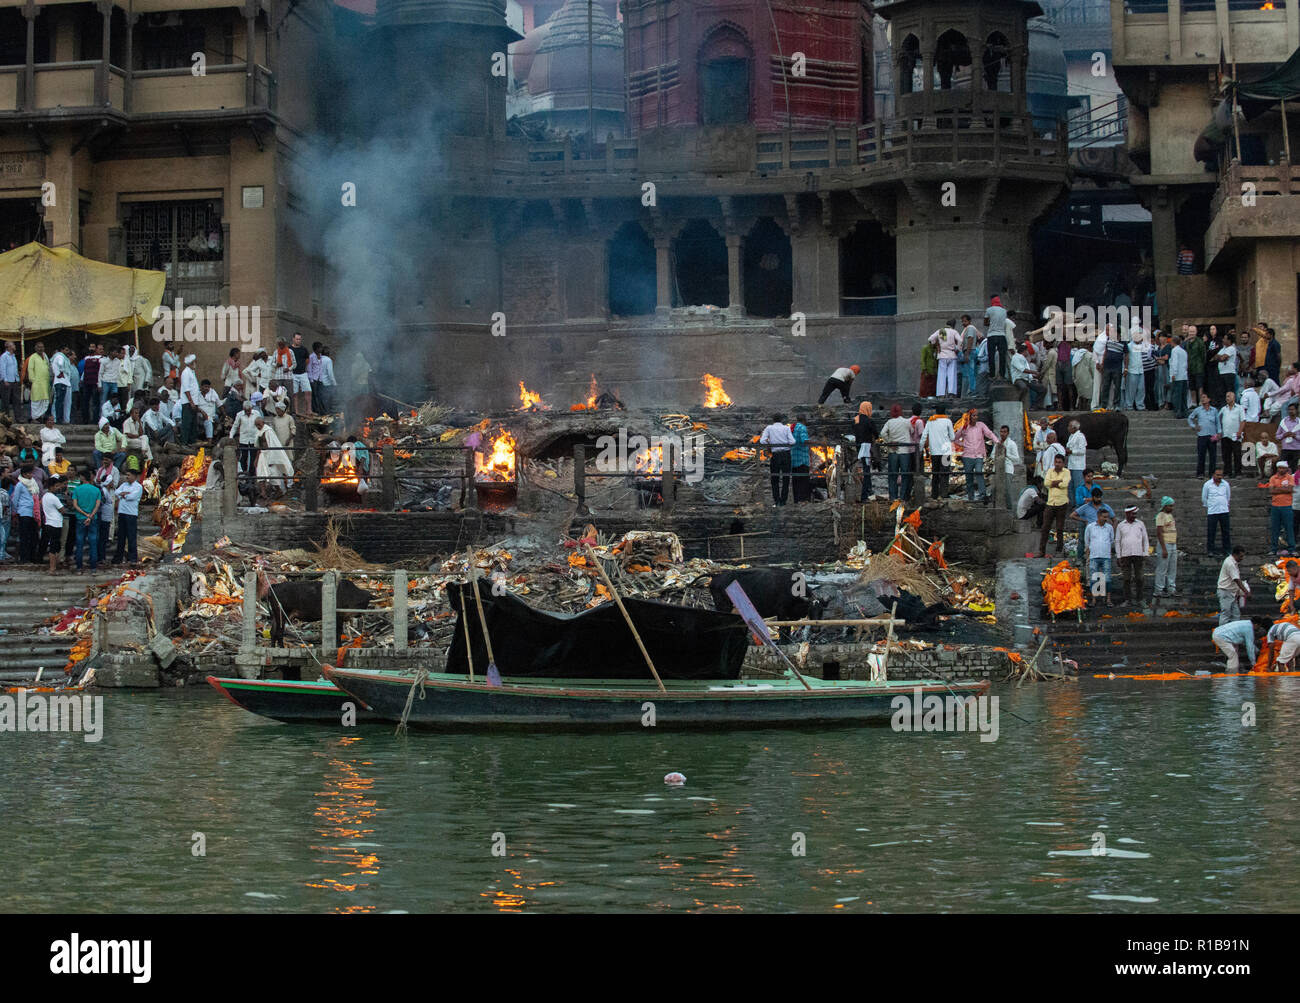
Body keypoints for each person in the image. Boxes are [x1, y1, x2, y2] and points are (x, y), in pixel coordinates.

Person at [958, 408, 998, 503]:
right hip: (967, 456)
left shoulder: (981, 425)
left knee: (979, 472)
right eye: (974, 415)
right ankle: (970, 497)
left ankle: (982, 495)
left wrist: (997, 442)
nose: (976, 417)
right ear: (970, 417)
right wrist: (963, 445)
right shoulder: (964, 427)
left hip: (979, 455)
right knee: (969, 477)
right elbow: (955, 438)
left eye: (977, 415)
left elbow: (989, 433)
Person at [66, 466, 101, 573]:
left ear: (82, 478)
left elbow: (75, 505)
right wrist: (90, 516)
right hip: (93, 519)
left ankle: (79, 567)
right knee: (93, 542)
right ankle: (93, 568)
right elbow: (97, 505)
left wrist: (85, 514)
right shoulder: (96, 490)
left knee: (80, 543)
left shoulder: (77, 489)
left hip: (80, 518)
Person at [1114, 505, 1149, 606]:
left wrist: (1145, 553)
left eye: (1135, 514)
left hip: (1138, 554)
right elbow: (1117, 541)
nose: (1135, 515)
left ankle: (1140, 599)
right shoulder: (1121, 525)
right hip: (1125, 555)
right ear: (1127, 514)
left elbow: (1145, 539)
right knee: (1126, 579)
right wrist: (1118, 556)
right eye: (1133, 514)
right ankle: (1127, 599)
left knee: (1140, 578)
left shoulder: (1140, 524)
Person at [1038, 454, 1071, 558]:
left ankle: (1059, 550)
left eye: (1059, 462)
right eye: (1056, 462)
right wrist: (1058, 482)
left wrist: (1054, 483)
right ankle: (1041, 551)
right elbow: (1046, 483)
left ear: (1063, 463)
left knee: (1060, 528)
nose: (1057, 464)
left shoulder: (1067, 472)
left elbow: (1064, 484)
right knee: (1045, 528)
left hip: (1062, 503)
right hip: (1050, 503)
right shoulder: (1050, 471)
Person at [759, 413, 794, 506]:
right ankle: (783, 501)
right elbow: (792, 441)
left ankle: (776, 500)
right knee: (786, 478)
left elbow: (762, 441)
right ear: (781, 420)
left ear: (773, 420)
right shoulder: (786, 428)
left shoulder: (769, 428)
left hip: (775, 455)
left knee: (775, 478)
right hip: (786, 455)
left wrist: (770, 442)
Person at [881, 404, 914, 501]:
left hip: (893, 451)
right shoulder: (906, 421)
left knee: (892, 475)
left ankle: (893, 497)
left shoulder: (889, 422)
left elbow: (882, 433)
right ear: (901, 412)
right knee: (905, 475)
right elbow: (911, 431)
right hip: (904, 451)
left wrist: (889, 442)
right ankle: (903, 497)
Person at [1084, 507, 1115, 606]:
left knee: (1107, 578)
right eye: (1104, 517)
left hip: (1106, 556)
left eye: (1107, 517)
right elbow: (1087, 541)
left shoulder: (1109, 527)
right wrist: (1088, 555)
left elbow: (1111, 540)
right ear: (1098, 516)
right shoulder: (1090, 527)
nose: (1105, 519)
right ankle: (1094, 600)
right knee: (1094, 578)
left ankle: (1108, 599)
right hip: (1094, 555)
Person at [111, 468, 142, 565]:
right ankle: (118, 558)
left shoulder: (138, 487)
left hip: (131, 514)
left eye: (128, 475)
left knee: (131, 536)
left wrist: (124, 495)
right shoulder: (124, 485)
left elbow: (132, 497)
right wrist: (124, 495)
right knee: (121, 536)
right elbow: (116, 492)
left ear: (134, 476)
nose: (127, 477)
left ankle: (132, 558)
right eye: (126, 475)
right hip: (122, 513)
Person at [1264, 460, 1296, 556]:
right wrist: (1284, 489)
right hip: (1275, 506)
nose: (1281, 469)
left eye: (1283, 468)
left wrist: (1277, 489)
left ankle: (1292, 549)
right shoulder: (1273, 478)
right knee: (1275, 528)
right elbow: (1271, 491)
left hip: (1287, 506)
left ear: (1286, 469)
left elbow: (1290, 489)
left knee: (1289, 528)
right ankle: (1273, 549)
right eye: (1279, 468)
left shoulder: (1290, 477)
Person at [925, 404, 956, 499]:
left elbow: (924, 435)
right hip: (946, 453)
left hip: (934, 453)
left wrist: (922, 446)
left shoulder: (930, 421)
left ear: (936, 412)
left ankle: (934, 494)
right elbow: (953, 437)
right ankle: (944, 494)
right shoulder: (948, 421)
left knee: (935, 473)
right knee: (945, 473)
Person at [93, 457, 119, 565]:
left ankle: (101, 556)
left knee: (103, 538)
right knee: (101, 539)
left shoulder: (115, 471)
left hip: (106, 516)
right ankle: (100, 558)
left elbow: (115, 485)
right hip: (103, 517)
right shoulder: (103, 490)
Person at [1188, 392, 1220, 477]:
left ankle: (1212, 473)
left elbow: (1218, 423)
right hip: (1202, 435)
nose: (1203, 399)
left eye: (1204, 397)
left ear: (1209, 399)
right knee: (1201, 455)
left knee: (1213, 456)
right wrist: (1194, 426)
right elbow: (1190, 418)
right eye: (1201, 398)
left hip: (1212, 435)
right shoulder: (1198, 410)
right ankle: (1200, 473)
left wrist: (1219, 432)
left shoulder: (1214, 410)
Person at [1202, 466, 1232, 555]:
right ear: (1213, 475)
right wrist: (1210, 505)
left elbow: (1228, 496)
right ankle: (1210, 550)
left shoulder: (1225, 484)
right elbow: (1204, 498)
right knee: (1211, 532)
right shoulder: (1207, 485)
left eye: (1221, 475)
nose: (1219, 477)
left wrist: (1225, 505)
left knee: (1226, 532)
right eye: (1217, 475)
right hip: (1212, 511)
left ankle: (1226, 550)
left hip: (1224, 510)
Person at [1216, 546, 1249, 624]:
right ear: (1235, 554)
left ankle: (1234, 631)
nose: (1242, 558)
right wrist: (1246, 592)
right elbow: (1236, 579)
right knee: (1226, 614)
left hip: (1231, 592)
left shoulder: (1232, 562)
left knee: (1236, 614)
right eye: (1241, 556)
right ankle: (1222, 633)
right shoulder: (1230, 563)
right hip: (1226, 591)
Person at [39, 475, 64, 572]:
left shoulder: (45, 496)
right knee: (54, 546)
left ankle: (54, 566)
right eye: (56, 486)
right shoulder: (54, 498)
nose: (58, 488)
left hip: (49, 522)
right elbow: (62, 509)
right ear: (51, 487)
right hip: (55, 523)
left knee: (54, 545)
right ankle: (52, 568)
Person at [853, 402, 878, 502]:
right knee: (867, 470)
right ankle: (864, 496)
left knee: (863, 469)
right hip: (866, 449)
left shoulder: (855, 420)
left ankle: (868, 490)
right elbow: (876, 434)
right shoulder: (869, 421)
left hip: (858, 447)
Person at [993, 424, 1021, 511]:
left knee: (1008, 491)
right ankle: (995, 509)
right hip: (997, 469)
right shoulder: (997, 443)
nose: (1002, 434)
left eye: (1004, 432)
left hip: (1007, 469)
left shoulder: (1012, 444)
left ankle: (1010, 510)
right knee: (995, 490)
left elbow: (1017, 459)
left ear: (1008, 433)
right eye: (1001, 432)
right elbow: (992, 455)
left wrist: (1006, 454)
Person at [230, 398, 262, 474]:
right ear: (243, 409)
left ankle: (252, 474)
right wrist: (231, 437)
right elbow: (235, 426)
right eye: (246, 410)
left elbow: (261, 424)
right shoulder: (239, 415)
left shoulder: (256, 413)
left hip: (254, 439)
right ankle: (244, 472)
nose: (247, 412)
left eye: (249, 410)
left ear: (251, 408)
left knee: (253, 457)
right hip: (244, 439)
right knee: (243, 457)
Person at [929, 323, 961, 397]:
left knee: (941, 375)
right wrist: (957, 349)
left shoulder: (940, 331)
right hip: (952, 355)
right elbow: (960, 340)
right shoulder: (954, 331)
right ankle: (951, 393)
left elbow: (930, 339)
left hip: (942, 355)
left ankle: (941, 394)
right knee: (951, 375)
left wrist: (936, 344)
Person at [1154, 496, 1178, 596]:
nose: (1172, 508)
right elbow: (1159, 533)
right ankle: (1159, 590)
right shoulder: (1160, 516)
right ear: (1164, 506)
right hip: (1165, 544)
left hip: (1173, 544)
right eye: (1170, 506)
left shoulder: (1170, 516)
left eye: (1172, 506)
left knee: (1172, 568)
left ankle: (1171, 588)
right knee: (1162, 568)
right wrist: (1163, 548)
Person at [1219, 390, 1245, 479]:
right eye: (1226, 396)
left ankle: (1238, 473)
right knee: (1226, 455)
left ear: (1234, 398)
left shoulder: (1239, 408)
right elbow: (1219, 420)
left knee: (1237, 455)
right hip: (1225, 435)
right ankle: (1227, 472)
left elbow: (1243, 421)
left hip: (1235, 435)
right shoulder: (1223, 409)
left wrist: (1239, 432)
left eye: (1229, 396)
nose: (1227, 398)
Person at [984, 294, 1009, 379]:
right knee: (1002, 356)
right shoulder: (1004, 311)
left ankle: (992, 374)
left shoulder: (989, 310)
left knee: (991, 356)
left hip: (991, 335)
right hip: (1002, 335)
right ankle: (1002, 375)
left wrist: (991, 323)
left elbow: (985, 323)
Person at [24, 341, 51, 420]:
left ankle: (41, 417)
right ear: (35, 348)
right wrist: (33, 380)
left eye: (42, 347)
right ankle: (35, 418)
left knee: (45, 401)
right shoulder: (33, 357)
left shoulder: (45, 356)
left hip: (45, 383)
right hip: (36, 383)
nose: (40, 349)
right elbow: (30, 369)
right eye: (39, 347)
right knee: (36, 401)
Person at [790, 413, 811, 503]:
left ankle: (796, 500)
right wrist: (816, 442)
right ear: (804, 420)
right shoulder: (802, 428)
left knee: (796, 481)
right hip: (802, 459)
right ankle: (804, 500)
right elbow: (804, 441)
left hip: (794, 458)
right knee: (804, 480)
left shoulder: (793, 427)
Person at [289, 332, 312, 418]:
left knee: (308, 391)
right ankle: (296, 410)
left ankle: (308, 410)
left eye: (300, 339)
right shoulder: (289, 349)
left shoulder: (304, 349)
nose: (298, 341)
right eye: (297, 339)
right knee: (295, 393)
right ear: (293, 339)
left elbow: (307, 360)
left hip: (303, 373)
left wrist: (302, 366)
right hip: (293, 374)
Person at [1167, 334, 1189, 418]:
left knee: (1177, 395)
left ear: (1173, 342)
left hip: (1177, 377)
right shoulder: (1183, 351)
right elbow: (1185, 364)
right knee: (1183, 396)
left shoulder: (1175, 351)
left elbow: (1174, 363)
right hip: (1184, 376)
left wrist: (1173, 374)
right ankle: (1185, 412)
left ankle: (1178, 411)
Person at [1065, 420, 1087, 500]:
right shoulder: (1071, 436)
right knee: (1070, 487)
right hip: (1071, 465)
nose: (1068, 428)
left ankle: (1079, 505)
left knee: (1078, 487)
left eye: (1069, 426)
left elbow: (1082, 451)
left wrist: (1071, 451)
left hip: (1078, 466)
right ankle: (1073, 504)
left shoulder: (1080, 436)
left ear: (1074, 428)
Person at [1214, 332, 1240, 401]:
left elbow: (1222, 358)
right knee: (1222, 391)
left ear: (1229, 340)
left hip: (1229, 373)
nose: (1223, 340)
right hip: (1222, 373)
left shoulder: (1231, 348)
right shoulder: (1223, 349)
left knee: (1229, 391)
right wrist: (1221, 357)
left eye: (1225, 339)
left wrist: (1221, 357)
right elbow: (1215, 357)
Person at [958, 315, 979, 397]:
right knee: (968, 372)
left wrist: (967, 353)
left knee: (970, 373)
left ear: (969, 321)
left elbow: (970, 339)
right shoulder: (968, 329)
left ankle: (972, 391)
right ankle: (970, 391)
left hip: (969, 351)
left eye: (965, 321)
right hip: (969, 351)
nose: (963, 323)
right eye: (962, 321)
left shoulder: (970, 328)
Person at [0, 341, 20, 418]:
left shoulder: (13, 356)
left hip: (14, 380)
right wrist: (5, 379)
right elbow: (2, 369)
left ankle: (18, 417)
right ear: (9, 347)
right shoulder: (4, 356)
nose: (15, 346)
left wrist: (17, 379)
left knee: (16, 400)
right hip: (7, 381)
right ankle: (6, 417)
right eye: (13, 345)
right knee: (6, 400)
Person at [1280, 401, 1300, 471]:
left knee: (1294, 469)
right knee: (1283, 468)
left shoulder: (1299, 422)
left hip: (1296, 450)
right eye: (1289, 409)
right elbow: (1277, 436)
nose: (1291, 411)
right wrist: (1284, 435)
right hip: (1285, 449)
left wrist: (1295, 436)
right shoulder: (1283, 422)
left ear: (1296, 410)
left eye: (1293, 409)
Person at [319, 346, 338, 414]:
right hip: (327, 384)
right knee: (328, 401)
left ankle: (323, 415)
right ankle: (328, 415)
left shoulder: (319, 359)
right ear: (328, 353)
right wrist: (334, 383)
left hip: (320, 383)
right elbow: (330, 373)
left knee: (322, 401)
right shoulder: (328, 360)